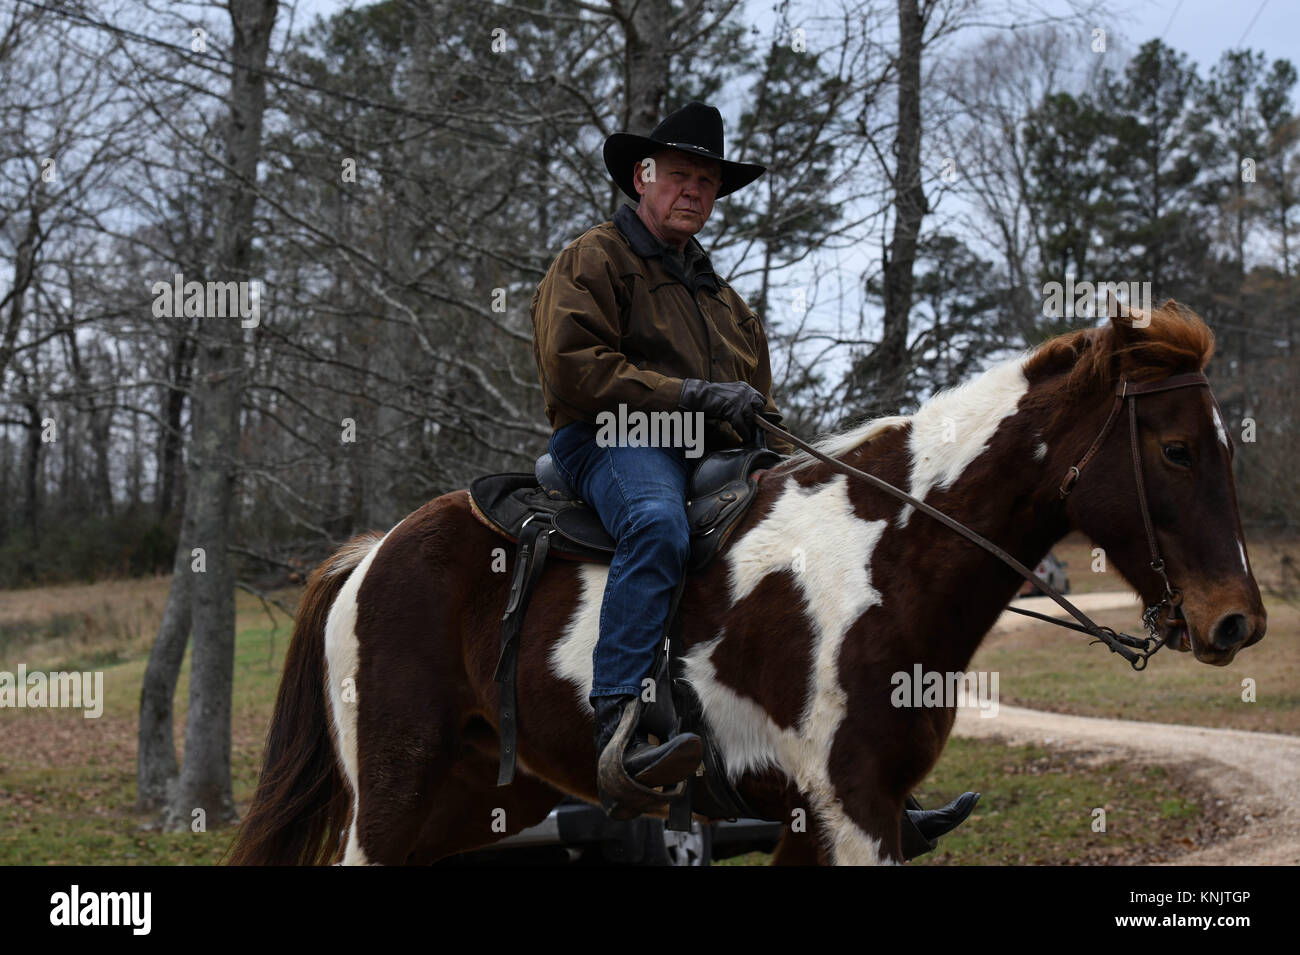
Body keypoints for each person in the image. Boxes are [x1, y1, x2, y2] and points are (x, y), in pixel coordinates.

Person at [531, 101, 976, 856]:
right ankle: (621, 722)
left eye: (707, 181)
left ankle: (857, 771)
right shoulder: (593, 258)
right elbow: (572, 369)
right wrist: (691, 397)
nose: (694, 192)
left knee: (810, 546)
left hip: (714, 456)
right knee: (657, 524)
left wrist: (780, 444)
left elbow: (759, 409)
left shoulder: (727, 303)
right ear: (643, 177)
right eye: (679, 176)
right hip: (614, 439)